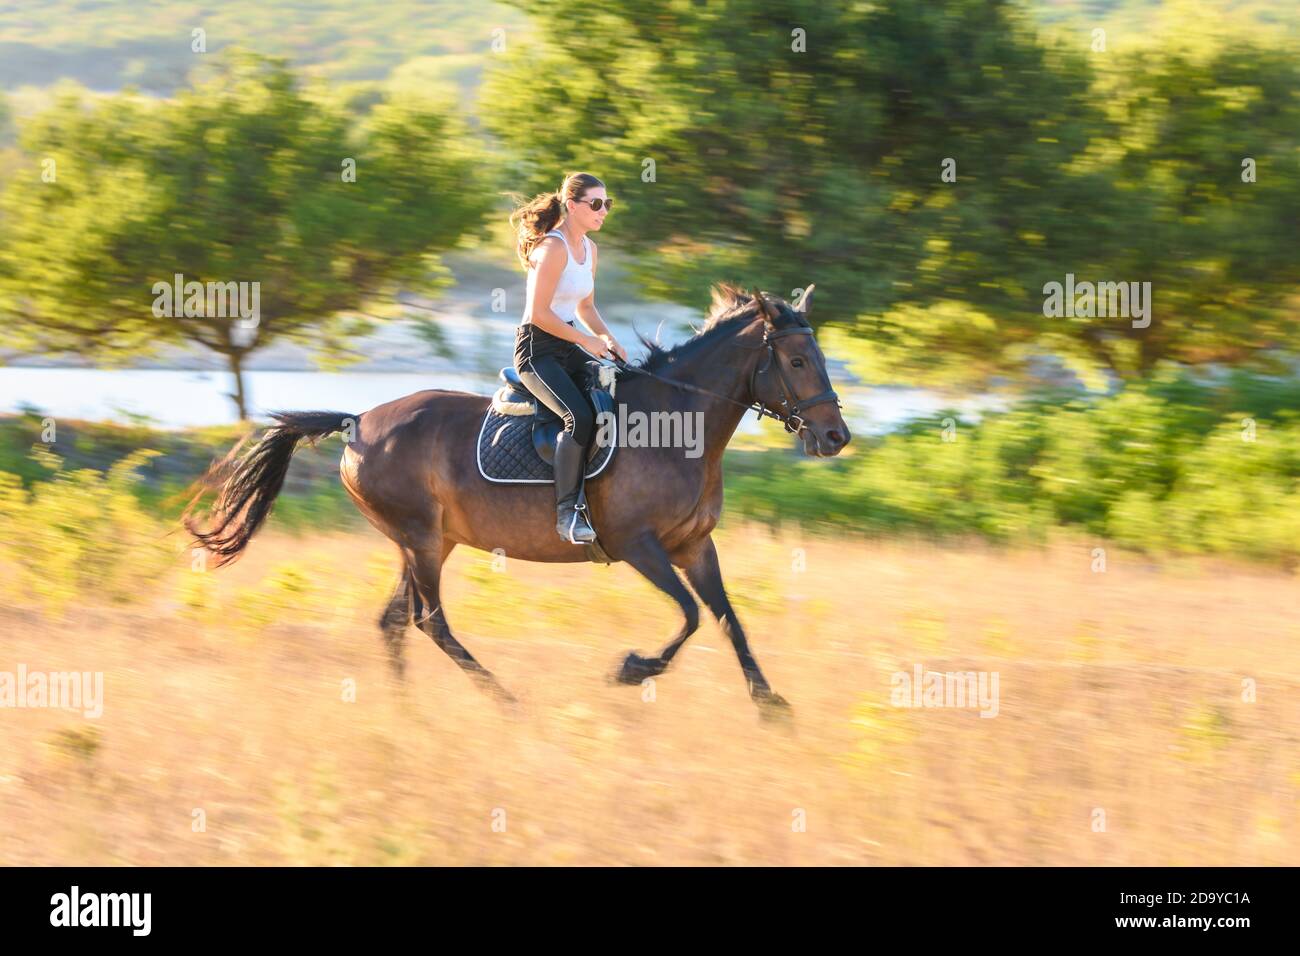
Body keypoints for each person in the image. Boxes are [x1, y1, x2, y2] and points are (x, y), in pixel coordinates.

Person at [509, 172, 629, 544]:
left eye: (607, 204)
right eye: (596, 204)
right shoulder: (552, 248)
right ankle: (567, 513)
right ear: (573, 206)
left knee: (623, 391)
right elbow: (539, 314)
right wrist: (586, 342)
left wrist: (606, 337)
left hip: (567, 346)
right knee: (578, 416)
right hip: (536, 350)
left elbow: (586, 305)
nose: (603, 211)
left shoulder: (590, 250)